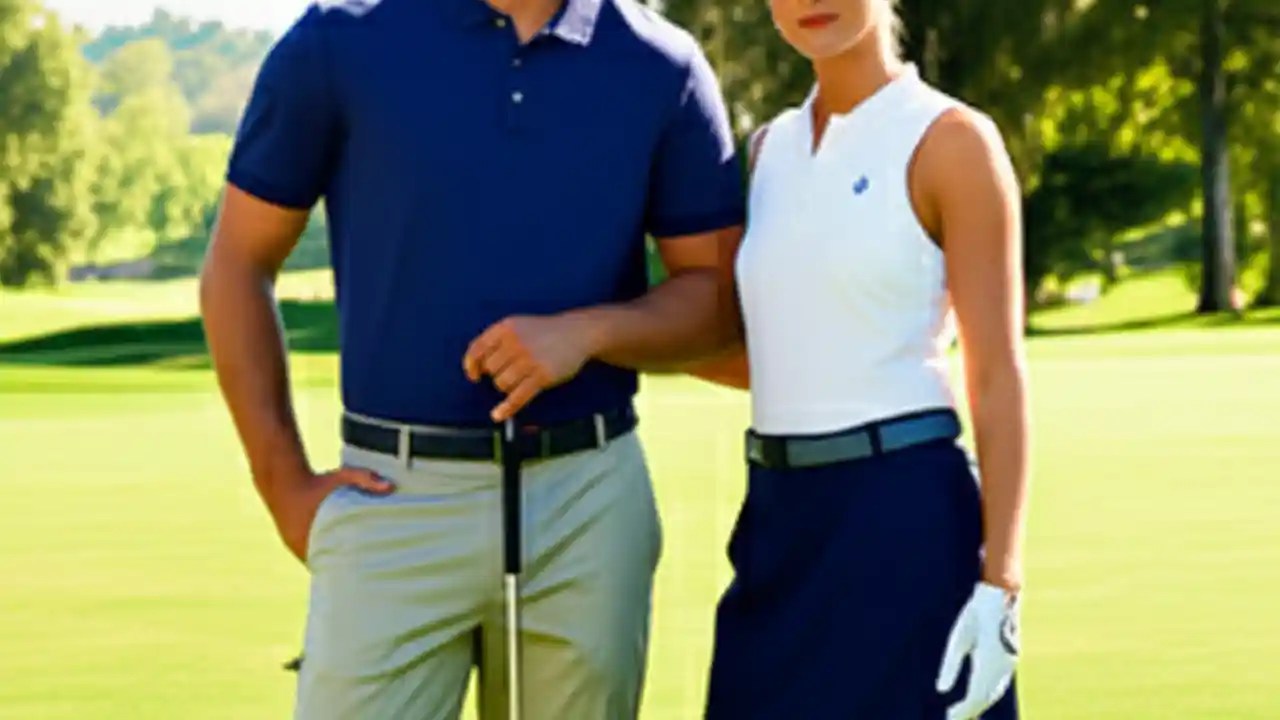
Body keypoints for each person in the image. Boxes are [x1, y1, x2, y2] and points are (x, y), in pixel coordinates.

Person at [198, 0, 745, 717]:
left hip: (587, 504)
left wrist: (588, 333)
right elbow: (238, 264)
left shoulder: (661, 63)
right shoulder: (340, 38)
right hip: (394, 497)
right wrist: (285, 485)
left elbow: (715, 296)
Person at [696, 1, 1029, 718]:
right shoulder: (767, 151)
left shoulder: (952, 141)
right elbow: (780, 354)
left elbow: (997, 373)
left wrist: (1000, 585)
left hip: (902, 516)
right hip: (777, 523)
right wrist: (599, 337)